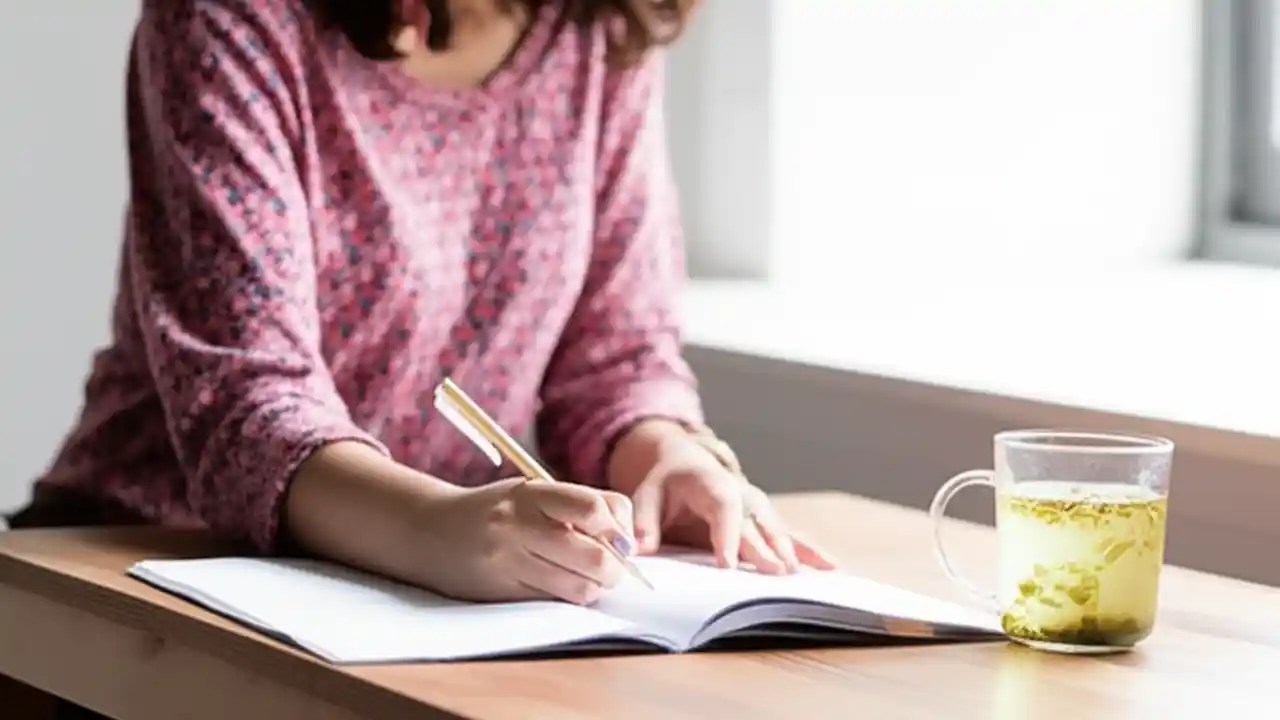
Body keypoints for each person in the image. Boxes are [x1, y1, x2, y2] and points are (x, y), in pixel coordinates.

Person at [10, 0, 837, 612]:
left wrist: (665, 454)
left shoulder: (601, 27)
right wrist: (438, 530)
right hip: (142, 572)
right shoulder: (233, 18)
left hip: (430, 598)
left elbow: (617, 359)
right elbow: (246, 404)